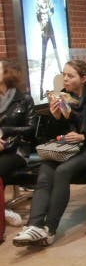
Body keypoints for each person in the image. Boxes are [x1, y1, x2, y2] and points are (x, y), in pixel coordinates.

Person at [13, 60, 86, 247]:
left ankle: (49, 228)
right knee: (45, 171)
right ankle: (34, 226)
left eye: (70, 75)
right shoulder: (63, 97)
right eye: (64, 74)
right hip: (66, 149)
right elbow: (52, 135)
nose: (65, 79)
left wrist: (83, 137)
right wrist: (56, 117)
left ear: (83, 79)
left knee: (62, 171)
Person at [0, 60, 35, 227]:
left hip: (16, 150)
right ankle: (2, 210)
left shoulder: (24, 99)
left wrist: (4, 131)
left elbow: (30, 129)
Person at [35, 0, 63, 100]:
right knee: (43, 59)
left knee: (57, 57)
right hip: (44, 30)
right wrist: (42, 24)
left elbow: (52, 10)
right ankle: (41, 89)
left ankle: (63, 88)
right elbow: (38, 15)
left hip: (49, 29)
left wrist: (47, 18)